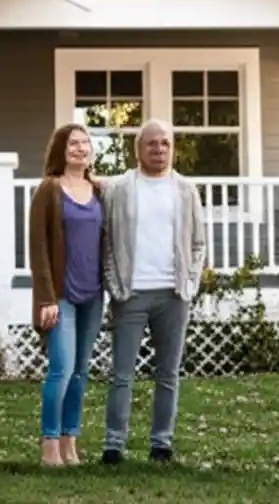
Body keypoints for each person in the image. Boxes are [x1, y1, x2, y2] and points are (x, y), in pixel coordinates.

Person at [99, 119, 206, 465]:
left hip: (173, 295)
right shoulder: (119, 189)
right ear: (138, 149)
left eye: (165, 143)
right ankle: (114, 444)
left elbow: (198, 243)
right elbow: (107, 242)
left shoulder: (186, 190)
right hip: (130, 294)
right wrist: (115, 286)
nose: (159, 149)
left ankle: (161, 443)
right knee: (122, 374)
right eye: (151, 144)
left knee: (168, 374)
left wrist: (189, 282)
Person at [28, 123, 106, 467]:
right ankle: (49, 447)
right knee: (61, 369)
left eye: (85, 143)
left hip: (93, 294)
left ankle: (69, 441)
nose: (80, 149)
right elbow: (38, 246)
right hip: (60, 295)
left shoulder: (99, 190)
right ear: (61, 149)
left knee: (80, 371)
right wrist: (45, 298)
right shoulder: (49, 190)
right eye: (73, 143)